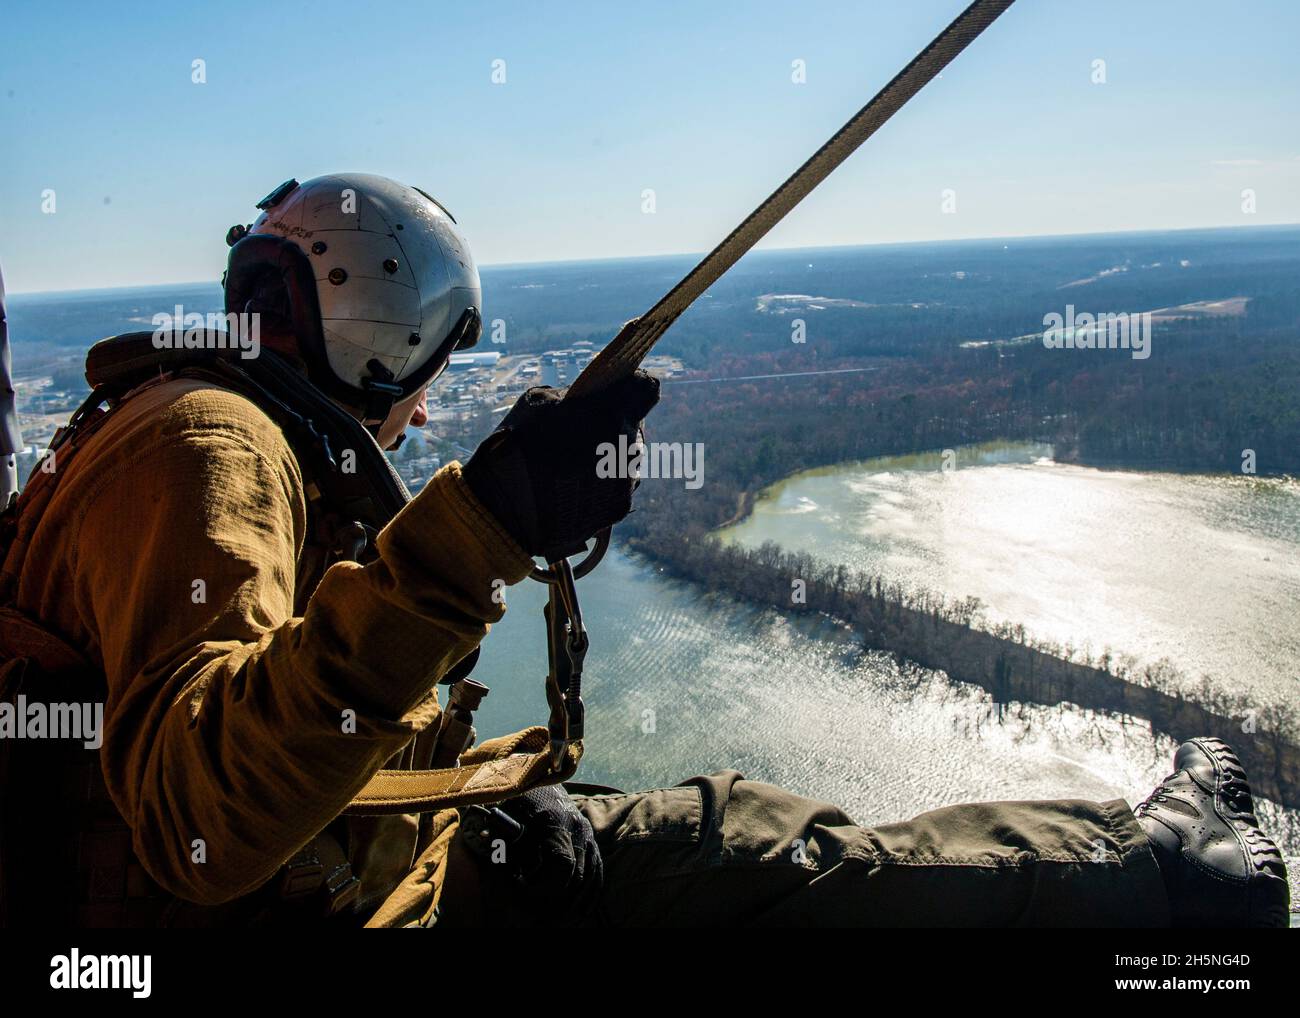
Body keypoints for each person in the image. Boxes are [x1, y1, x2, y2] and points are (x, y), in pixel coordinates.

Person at [0, 174, 1288, 928]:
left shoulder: (195, 428)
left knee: (713, 825)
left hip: (351, 871)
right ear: (376, 331)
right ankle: (1175, 879)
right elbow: (200, 823)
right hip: (348, 905)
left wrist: (487, 527)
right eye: (426, 370)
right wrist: (483, 529)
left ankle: (1142, 865)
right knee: (739, 845)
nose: (420, 406)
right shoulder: (209, 447)